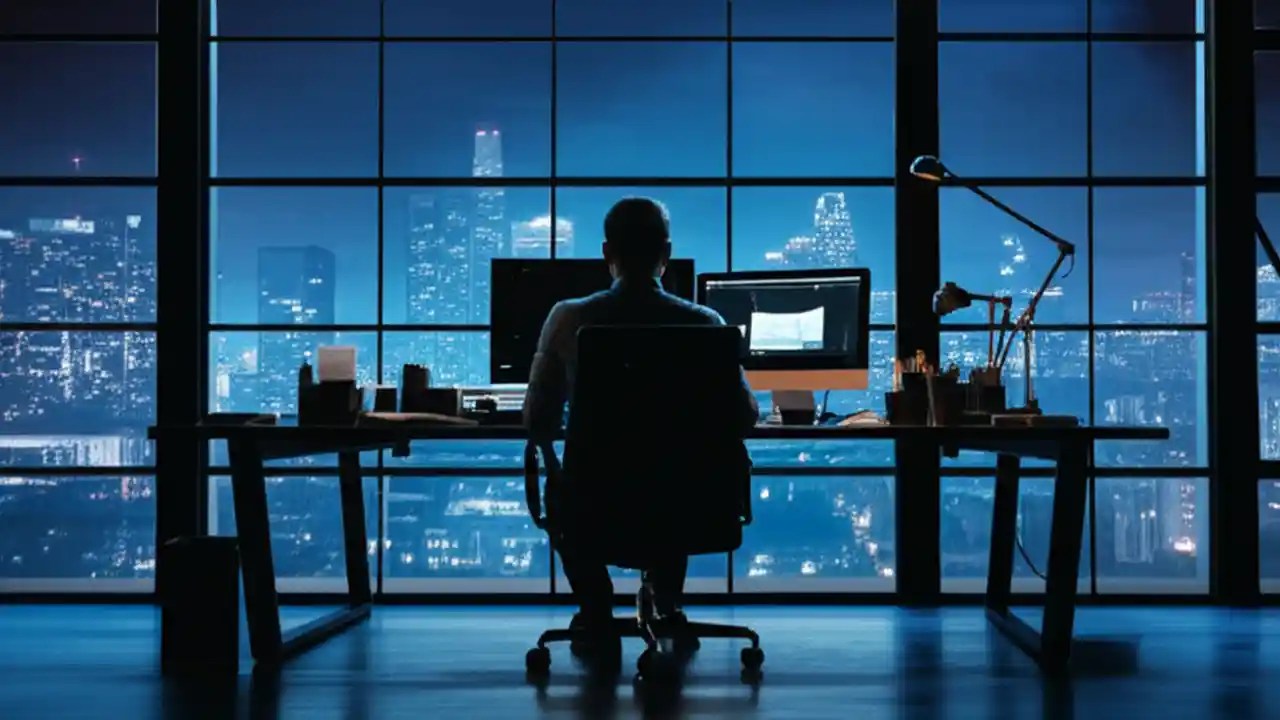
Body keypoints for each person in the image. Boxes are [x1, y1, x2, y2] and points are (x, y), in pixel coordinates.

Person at [523, 197, 758, 654]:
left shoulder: (569, 318)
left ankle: (595, 608)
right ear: (665, 254)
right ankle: (666, 603)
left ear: (606, 252)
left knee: (568, 484)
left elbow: (537, 420)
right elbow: (743, 417)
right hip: (686, 503)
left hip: (596, 502)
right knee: (670, 477)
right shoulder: (706, 323)